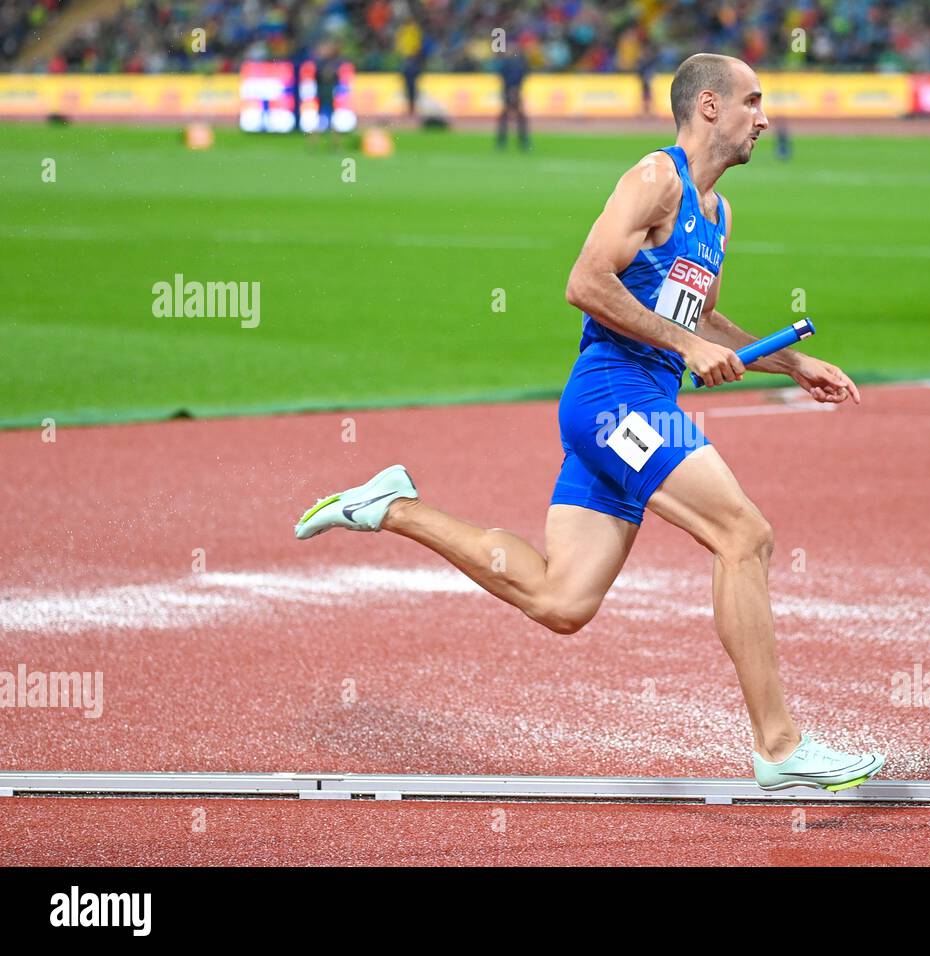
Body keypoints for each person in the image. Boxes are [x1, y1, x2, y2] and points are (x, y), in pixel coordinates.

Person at [294, 53, 884, 792]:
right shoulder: (655, 179)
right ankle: (778, 743)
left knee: (560, 601)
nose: (764, 119)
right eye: (753, 102)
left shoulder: (719, 214)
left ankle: (391, 507)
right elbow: (585, 282)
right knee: (745, 535)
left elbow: (696, 317)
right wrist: (687, 346)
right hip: (614, 402)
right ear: (708, 106)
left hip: (638, 409)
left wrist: (792, 365)